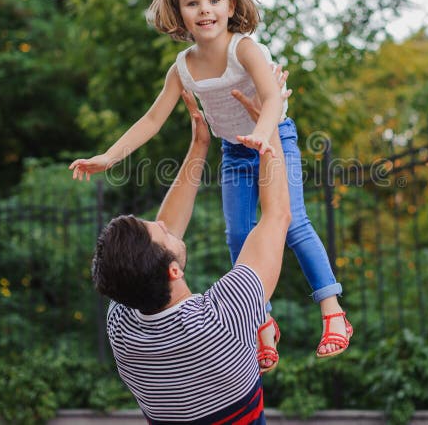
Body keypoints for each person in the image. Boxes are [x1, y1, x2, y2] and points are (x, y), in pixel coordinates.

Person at [70, 0, 352, 371]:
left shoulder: (245, 49)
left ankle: (332, 310)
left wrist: (262, 132)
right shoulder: (182, 67)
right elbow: (152, 120)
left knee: (293, 224)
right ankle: (261, 321)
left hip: (275, 138)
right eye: (193, 3)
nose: (205, 10)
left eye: (214, 1)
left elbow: (273, 98)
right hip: (235, 153)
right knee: (238, 233)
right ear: (178, 11)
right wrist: (108, 157)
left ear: (231, 4)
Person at [90, 89, 289, 424]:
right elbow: (277, 215)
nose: (165, 223)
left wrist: (199, 149)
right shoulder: (224, 314)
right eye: (161, 231)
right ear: (172, 271)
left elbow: (155, 247)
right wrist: (269, 126)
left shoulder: (122, 324)